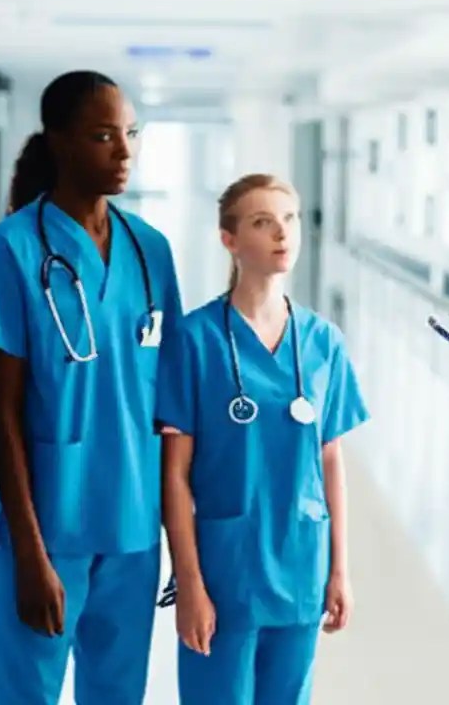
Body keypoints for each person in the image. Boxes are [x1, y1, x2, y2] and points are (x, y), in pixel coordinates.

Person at [0, 69, 184, 704]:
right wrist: (31, 555)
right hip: (47, 528)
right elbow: (0, 413)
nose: (124, 151)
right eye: (102, 135)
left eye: (131, 134)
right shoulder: (14, 247)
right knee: (24, 694)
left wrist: (179, 537)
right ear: (59, 141)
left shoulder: (151, 251)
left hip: (133, 530)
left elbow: (169, 405)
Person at [155, 174, 367, 704]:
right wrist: (190, 583)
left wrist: (340, 570)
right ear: (229, 240)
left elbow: (330, 460)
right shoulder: (195, 338)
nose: (282, 233)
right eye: (262, 221)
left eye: (290, 219)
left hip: (300, 566)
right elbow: (175, 476)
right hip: (226, 571)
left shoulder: (323, 342)